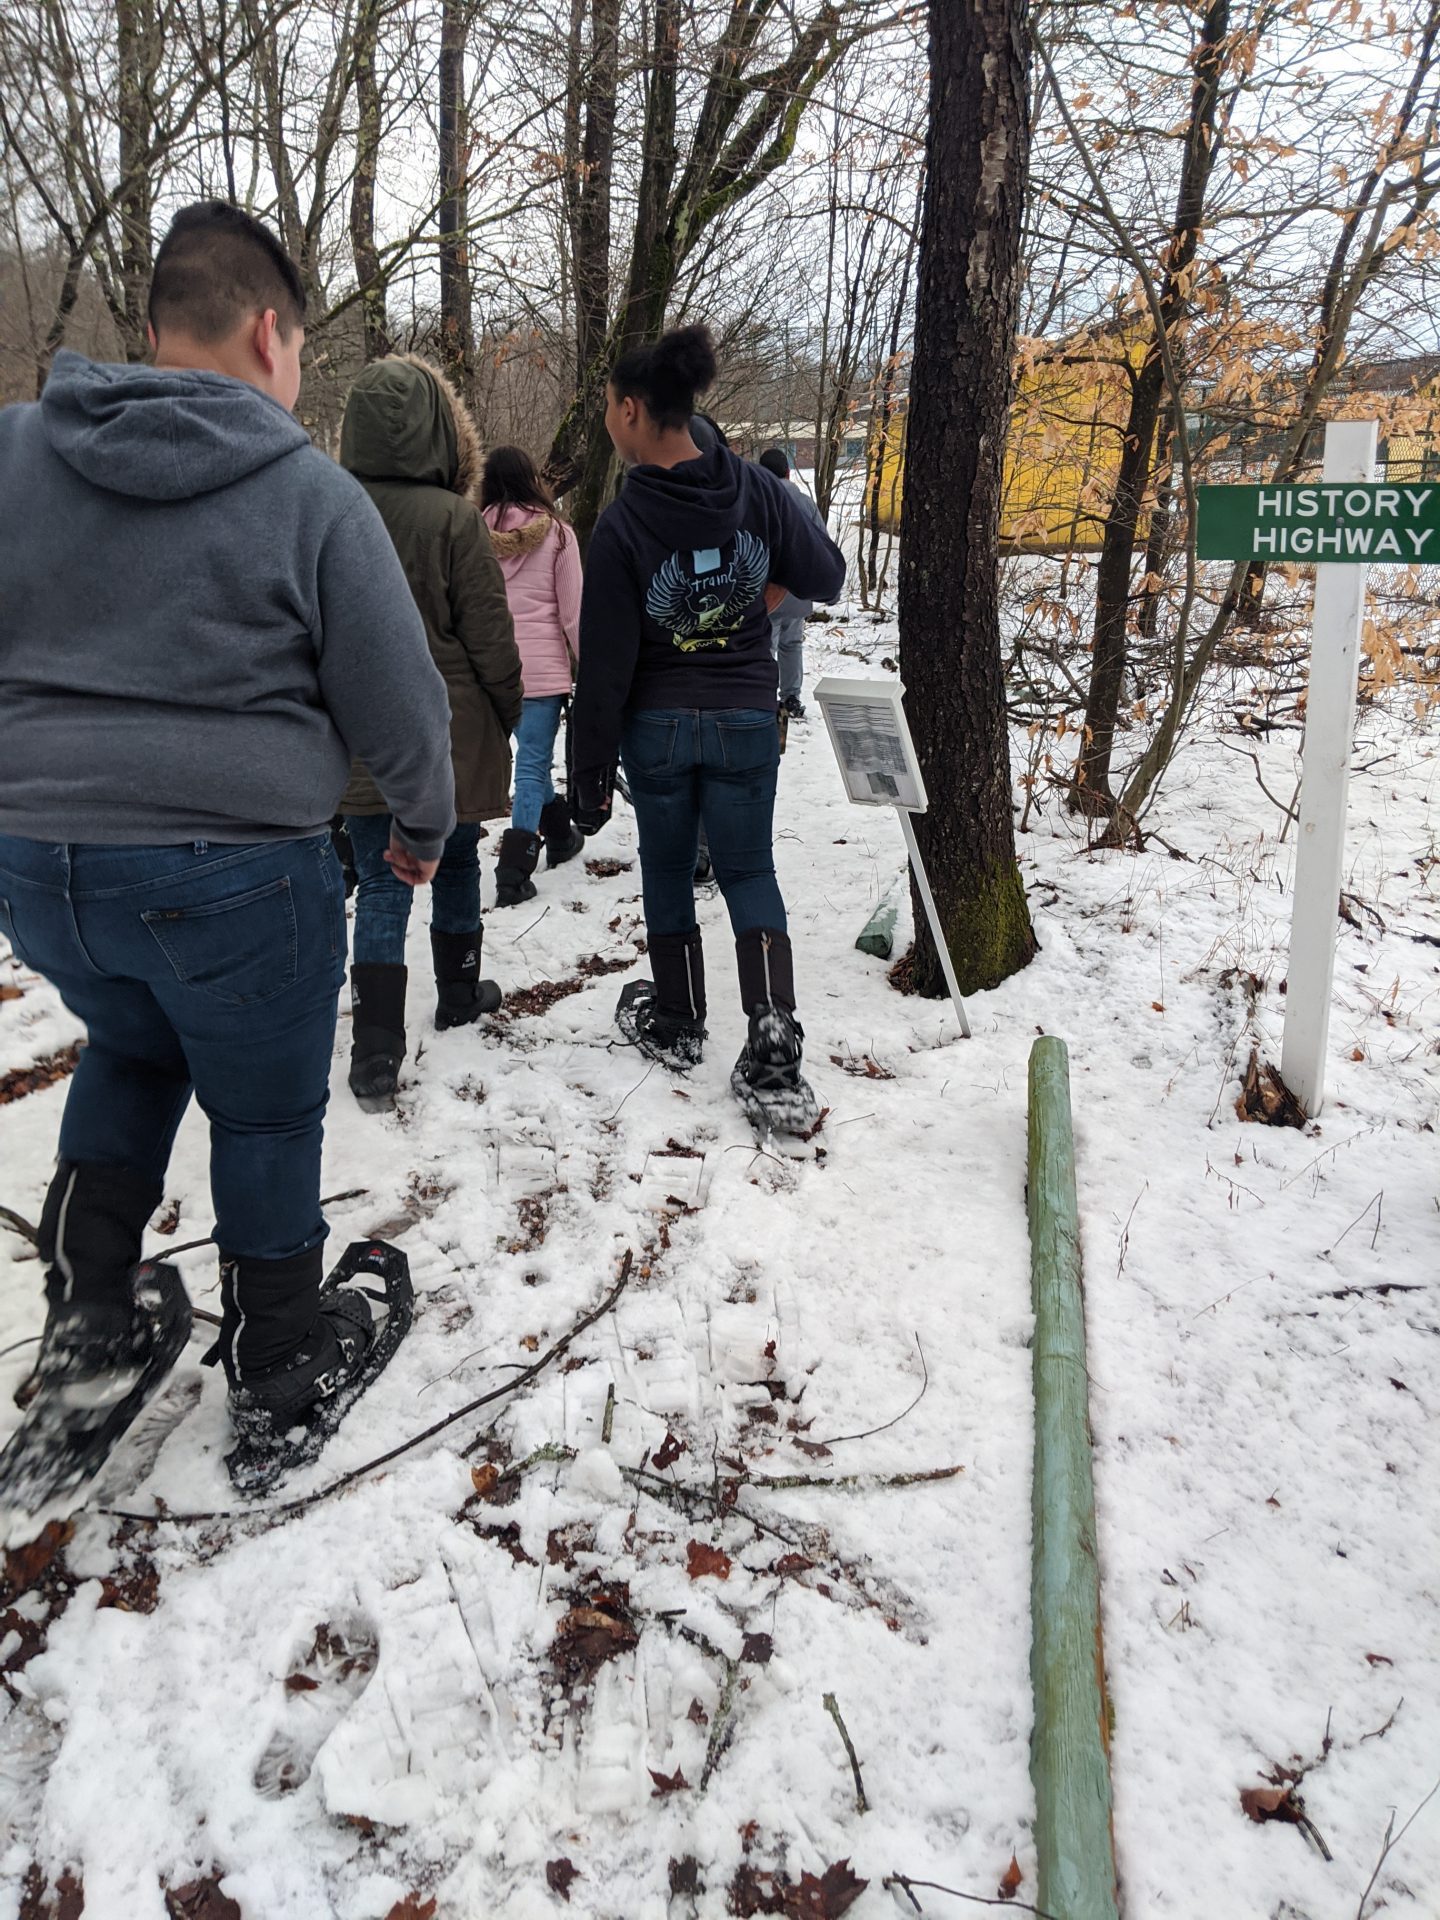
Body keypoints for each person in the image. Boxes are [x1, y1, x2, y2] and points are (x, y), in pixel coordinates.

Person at [0, 202, 456, 1498]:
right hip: (238, 875)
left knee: (132, 1044)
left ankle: (91, 1327)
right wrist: (419, 828)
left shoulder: (17, 456)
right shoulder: (308, 494)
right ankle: (281, 1360)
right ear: (272, 332)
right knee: (260, 1106)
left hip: (43, 869)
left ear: (151, 331)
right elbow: (402, 702)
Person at [568, 324, 847, 1134]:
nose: (605, 424)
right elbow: (823, 573)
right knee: (748, 870)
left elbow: (609, 667)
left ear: (631, 410)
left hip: (655, 724)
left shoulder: (622, 528)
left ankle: (679, 1020)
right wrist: (745, 608)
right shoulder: (758, 493)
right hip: (744, 717)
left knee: (665, 868)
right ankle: (771, 1033)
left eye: (606, 411)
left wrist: (585, 776)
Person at [339, 360, 523, 1109]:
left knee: (380, 888)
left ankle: (375, 1050)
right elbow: (489, 636)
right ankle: (456, 993)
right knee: (454, 865)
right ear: (445, 430)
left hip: (353, 734)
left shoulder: (333, 509)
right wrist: (508, 712)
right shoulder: (453, 520)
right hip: (446, 736)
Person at [479, 447, 584, 906]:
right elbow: (573, 614)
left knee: (531, 762)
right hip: (541, 673)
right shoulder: (558, 536)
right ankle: (514, 872)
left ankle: (560, 833)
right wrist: (590, 667)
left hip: (489, 669)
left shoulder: (468, 534)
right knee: (531, 765)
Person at [757, 446, 829, 721]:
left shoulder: (758, 501)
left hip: (768, 592)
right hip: (798, 591)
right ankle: (791, 697)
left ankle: (763, 696)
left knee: (767, 647)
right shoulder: (806, 503)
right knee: (792, 644)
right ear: (788, 472)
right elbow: (822, 541)